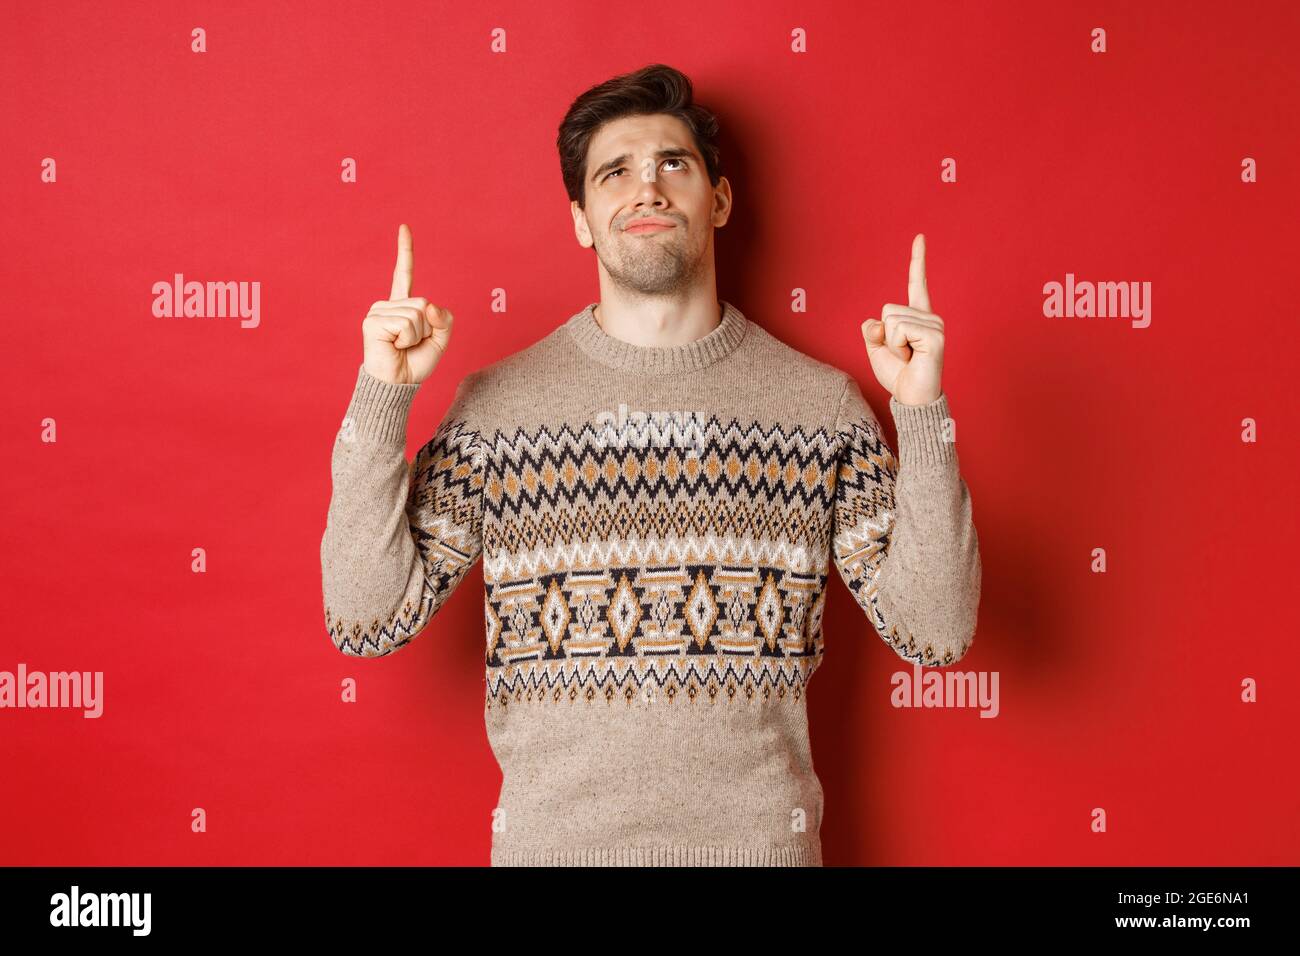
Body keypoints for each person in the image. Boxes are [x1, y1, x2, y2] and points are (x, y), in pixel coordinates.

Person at [320, 63, 981, 866]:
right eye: (615, 172)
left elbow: (937, 633)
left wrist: (922, 412)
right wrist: (380, 393)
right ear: (581, 220)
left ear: (721, 199)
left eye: (673, 163)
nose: (648, 190)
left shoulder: (821, 409)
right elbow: (364, 619)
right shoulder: (497, 408)